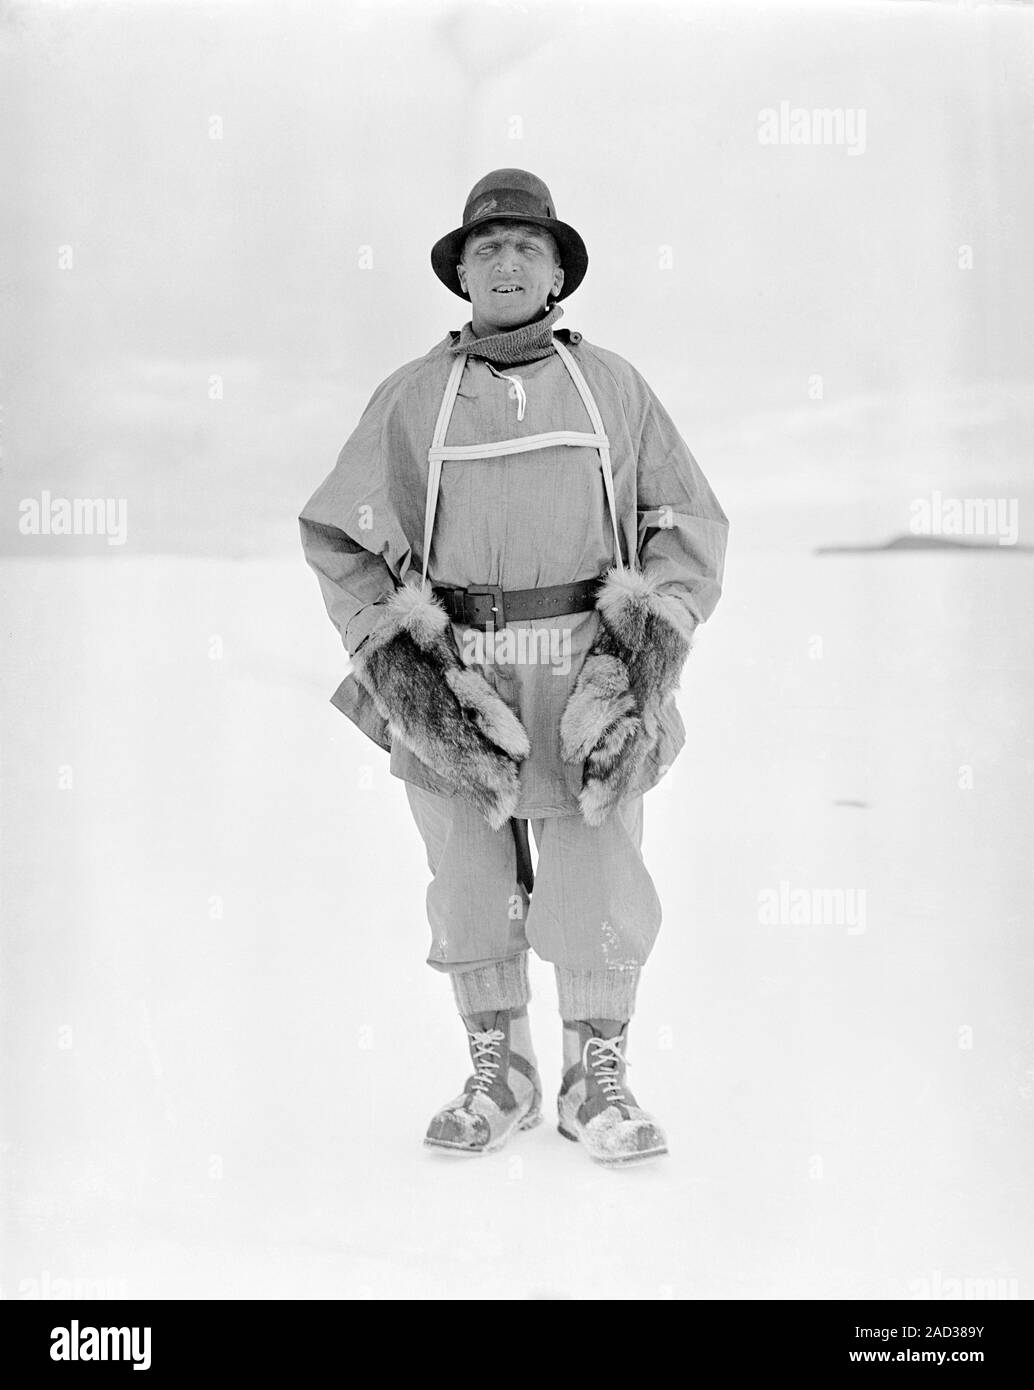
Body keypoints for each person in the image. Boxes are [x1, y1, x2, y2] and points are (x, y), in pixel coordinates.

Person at [299, 169, 728, 1165]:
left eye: (525, 247)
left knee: (595, 866)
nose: (505, 261)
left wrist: (640, 657)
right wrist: (412, 671)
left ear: (555, 272)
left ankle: (594, 1075)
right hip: (463, 680)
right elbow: (341, 531)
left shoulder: (614, 388)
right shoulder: (410, 398)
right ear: (460, 272)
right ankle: (503, 1070)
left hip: (584, 666)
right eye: (486, 248)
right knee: (467, 872)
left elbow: (684, 523)